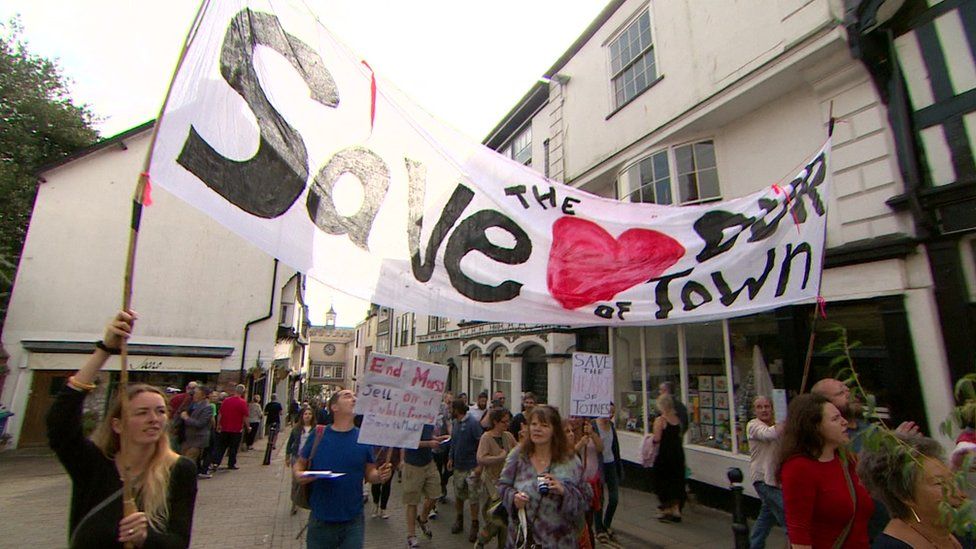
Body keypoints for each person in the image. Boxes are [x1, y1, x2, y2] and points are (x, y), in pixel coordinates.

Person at [47, 310, 197, 547]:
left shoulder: (179, 470)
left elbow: (179, 541)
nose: (154, 418)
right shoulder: (93, 464)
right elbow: (59, 423)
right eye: (141, 412)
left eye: (160, 411)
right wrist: (105, 349)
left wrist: (146, 538)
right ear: (117, 424)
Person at [293, 389, 393, 549]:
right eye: (347, 396)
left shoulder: (364, 438)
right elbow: (300, 463)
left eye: (355, 396)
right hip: (321, 520)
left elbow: (370, 473)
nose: (354, 399)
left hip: (353, 521)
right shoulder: (319, 434)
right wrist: (298, 474)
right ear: (334, 407)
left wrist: (380, 475)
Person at [779, 393, 874, 549]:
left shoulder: (847, 459)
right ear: (815, 427)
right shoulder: (799, 468)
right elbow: (799, 533)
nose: (844, 422)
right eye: (835, 419)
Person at [497, 405, 590, 548]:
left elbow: (586, 498)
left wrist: (564, 491)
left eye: (544, 425)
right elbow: (502, 487)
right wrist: (513, 498)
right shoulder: (518, 455)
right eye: (533, 424)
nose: (537, 429)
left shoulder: (570, 460)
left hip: (560, 542)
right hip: (524, 541)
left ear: (555, 430)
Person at [858, 433, 970, 548]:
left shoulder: (959, 532)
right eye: (939, 483)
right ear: (905, 494)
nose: (959, 494)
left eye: (953, 480)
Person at [399, 424, 449, 548]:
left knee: (436, 494)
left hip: (428, 462)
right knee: (412, 501)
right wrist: (429, 444)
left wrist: (437, 439)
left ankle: (422, 519)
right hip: (413, 465)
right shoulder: (409, 418)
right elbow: (406, 440)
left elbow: (426, 435)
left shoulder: (428, 417)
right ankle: (411, 535)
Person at [475, 408, 517, 548]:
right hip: (491, 485)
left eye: (508, 421)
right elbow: (481, 458)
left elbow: (518, 451)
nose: (507, 424)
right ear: (495, 422)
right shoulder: (486, 438)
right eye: (504, 422)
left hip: (506, 485)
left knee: (505, 522)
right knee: (495, 519)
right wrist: (500, 457)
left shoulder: (508, 436)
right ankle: (481, 540)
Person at [747, 396, 784, 549]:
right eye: (760, 407)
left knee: (766, 517)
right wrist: (786, 423)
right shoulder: (753, 425)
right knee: (789, 515)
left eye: (767, 406)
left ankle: (754, 545)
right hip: (763, 478)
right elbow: (768, 434)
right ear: (754, 410)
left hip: (775, 479)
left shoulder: (777, 425)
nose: (764, 410)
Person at [448, 398, 484, 541]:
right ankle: (459, 520)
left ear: (457, 410)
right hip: (459, 466)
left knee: (473, 498)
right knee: (458, 494)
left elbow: (480, 442)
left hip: (471, 467)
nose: (450, 411)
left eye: (452, 409)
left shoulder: (473, 424)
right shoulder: (455, 423)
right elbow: (454, 441)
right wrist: (451, 457)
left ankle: (475, 524)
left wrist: (479, 464)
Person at [652, 394, 686, 522]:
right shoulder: (677, 419)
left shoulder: (661, 420)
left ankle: (666, 510)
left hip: (665, 455)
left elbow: (657, 438)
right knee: (676, 480)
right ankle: (676, 510)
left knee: (662, 480)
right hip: (678, 453)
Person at [594, 404, 622, 544]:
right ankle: (599, 529)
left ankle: (607, 523)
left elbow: (615, 448)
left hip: (611, 464)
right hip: (599, 465)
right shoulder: (594, 426)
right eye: (608, 413)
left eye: (612, 413)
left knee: (614, 498)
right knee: (599, 499)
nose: (609, 416)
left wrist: (619, 468)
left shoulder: (611, 426)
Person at [210, 384, 249, 471]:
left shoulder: (226, 401)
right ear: (242, 392)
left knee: (221, 447)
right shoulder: (242, 402)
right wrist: (248, 427)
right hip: (236, 429)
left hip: (225, 428)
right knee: (233, 447)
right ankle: (231, 464)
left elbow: (220, 413)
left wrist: (218, 425)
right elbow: (245, 416)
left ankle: (216, 462)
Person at [286, 406, 317, 515]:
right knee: (296, 481)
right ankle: (294, 503)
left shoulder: (315, 429)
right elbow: (290, 442)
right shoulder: (297, 428)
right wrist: (287, 456)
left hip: (309, 458)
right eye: (305, 414)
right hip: (297, 456)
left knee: (307, 481)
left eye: (309, 414)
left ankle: (307, 501)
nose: (307, 416)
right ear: (302, 416)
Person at [178, 385, 214, 464]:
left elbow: (200, 423)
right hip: (186, 438)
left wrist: (187, 418)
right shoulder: (191, 404)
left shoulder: (207, 407)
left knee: (188, 462)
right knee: (181, 460)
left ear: (203, 395)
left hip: (197, 439)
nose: (194, 395)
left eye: (196, 393)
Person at [432, 391, 454, 505]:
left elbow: (448, 422)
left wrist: (451, 436)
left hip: (445, 443)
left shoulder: (443, 408)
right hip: (434, 445)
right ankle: (440, 490)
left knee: (449, 469)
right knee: (437, 469)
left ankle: (443, 483)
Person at [369, 446, 398, 520]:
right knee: (376, 484)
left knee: (387, 485)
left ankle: (383, 508)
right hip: (377, 460)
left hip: (391, 460)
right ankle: (375, 503)